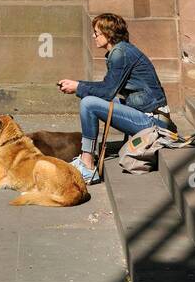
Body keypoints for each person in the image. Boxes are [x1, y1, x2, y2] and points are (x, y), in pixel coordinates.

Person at [57, 12, 176, 184]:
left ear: (108, 34)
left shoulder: (120, 53)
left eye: (96, 33)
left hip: (154, 124)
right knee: (92, 100)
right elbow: (107, 87)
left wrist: (79, 87)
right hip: (148, 116)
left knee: (88, 103)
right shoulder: (122, 50)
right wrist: (77, 84)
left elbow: (107, 91)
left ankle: (87, 165)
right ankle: (86, 160)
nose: (93, 36)